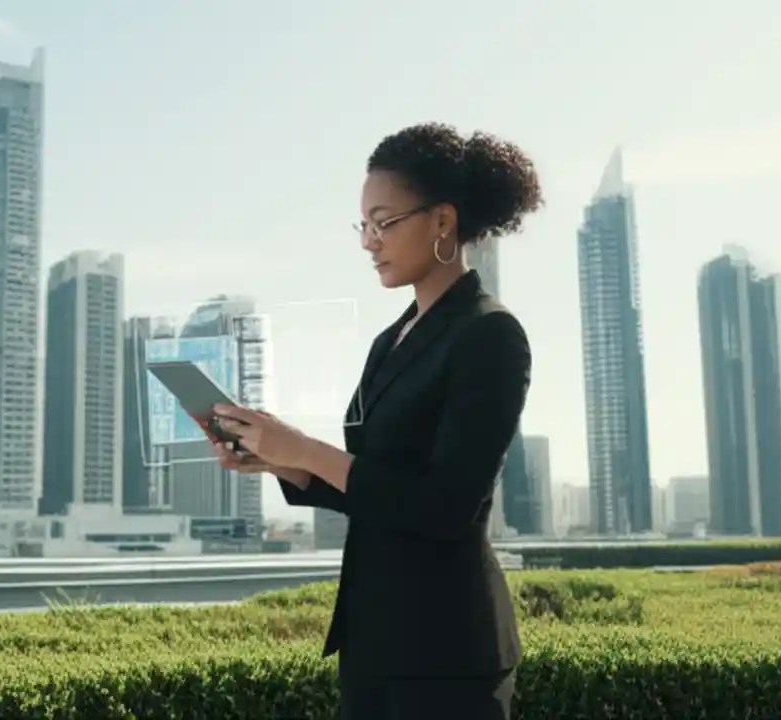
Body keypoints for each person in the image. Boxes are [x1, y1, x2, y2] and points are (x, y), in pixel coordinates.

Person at [211, 122, 541, 719]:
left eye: (384, 222)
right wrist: (282, 461)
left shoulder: (490, 334)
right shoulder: (390, 342)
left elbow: (445, 506)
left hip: (448, 656)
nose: (369, 241)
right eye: (363, 225)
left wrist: (307, 450)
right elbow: (375, 487)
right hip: (373, 642)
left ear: (443, 221)